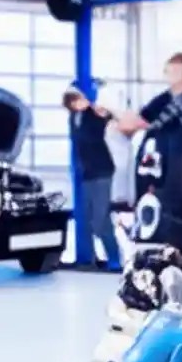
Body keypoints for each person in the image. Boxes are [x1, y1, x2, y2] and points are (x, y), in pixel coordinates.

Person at [116, 52, 182, 266]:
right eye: (169, 69)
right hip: (163, 173)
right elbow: (131, 124)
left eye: (177, 70)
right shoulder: (161, 101)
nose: (172, 74)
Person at [65, 83, 123, 270]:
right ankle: (88, 260)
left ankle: (115, 259)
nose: (78, 103)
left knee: (100, 218)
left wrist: (102, 110)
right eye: (74, 100)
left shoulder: (94, 114)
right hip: (86, 173)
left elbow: (111, 116)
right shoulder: (74, 118)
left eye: (80, 98)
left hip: (102, 171)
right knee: (85, 218)